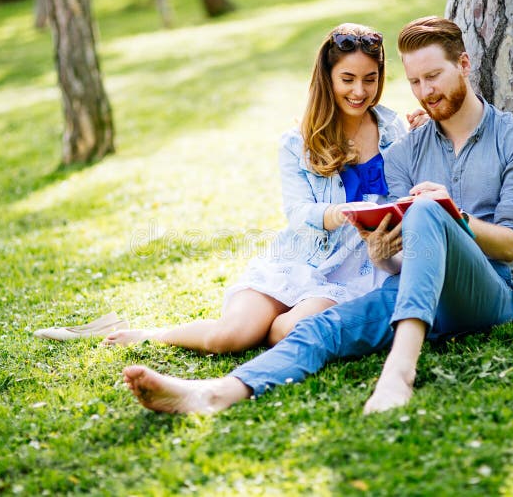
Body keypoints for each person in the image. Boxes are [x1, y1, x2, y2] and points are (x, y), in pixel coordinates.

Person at [119, 16, 513, 415]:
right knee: (320, 329)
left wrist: (450, 214)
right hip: (415, 287)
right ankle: (214, 393)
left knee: (428, 209)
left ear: (464, 65)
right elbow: (397, 255)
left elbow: (512, 244)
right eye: (415, 81)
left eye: (433, 76)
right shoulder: (403, 153)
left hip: (489, 290)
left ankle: (399, 370)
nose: (425, 91)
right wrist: (382, 253)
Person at [101, 23, 419, 353]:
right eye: (348, 79)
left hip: (352, 273)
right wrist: (339, 213)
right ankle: (153, 333)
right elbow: (297, 213)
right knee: (230, 338)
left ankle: (265, 327)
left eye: (370, 78)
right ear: (328, 78)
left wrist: (424, 133)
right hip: (301, 260)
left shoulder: (396, 131)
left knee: (288, 331)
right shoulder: (299, 142)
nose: (360, 91)